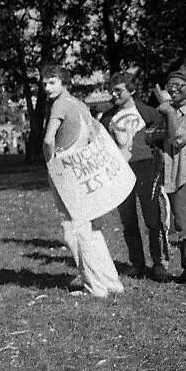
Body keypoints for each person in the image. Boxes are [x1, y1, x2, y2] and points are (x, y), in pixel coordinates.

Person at [41, 64, 123, 298]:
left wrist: (50, 163)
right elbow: (95, 134)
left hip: (66, 169)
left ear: (63, 82)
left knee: (73, 229)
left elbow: (48, 140)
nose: (47, 88)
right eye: (44, 83)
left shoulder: (59, 105)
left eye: (52, 82)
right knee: (91, 228)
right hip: (84, 169)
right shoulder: (80, 104)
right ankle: (110, 281)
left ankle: (94, 286)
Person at [101, 72, 170, 282]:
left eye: (118, 90)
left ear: (131, 90)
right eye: (111, 91)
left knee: (153, 219)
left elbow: (164, 139)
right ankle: (137, 264)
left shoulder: (149, 113)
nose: (113, 95)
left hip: (147, 169)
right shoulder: (107, 118)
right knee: (128, 220)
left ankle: (159, 264)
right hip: (121, 173)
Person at [153, 68, 186, 287]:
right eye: (170, 86)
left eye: (178, 85)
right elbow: (156, 135)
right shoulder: (175, 111)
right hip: (173, 173)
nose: (172, 89)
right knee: (182, 224)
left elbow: (177, 139)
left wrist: (168, 112)